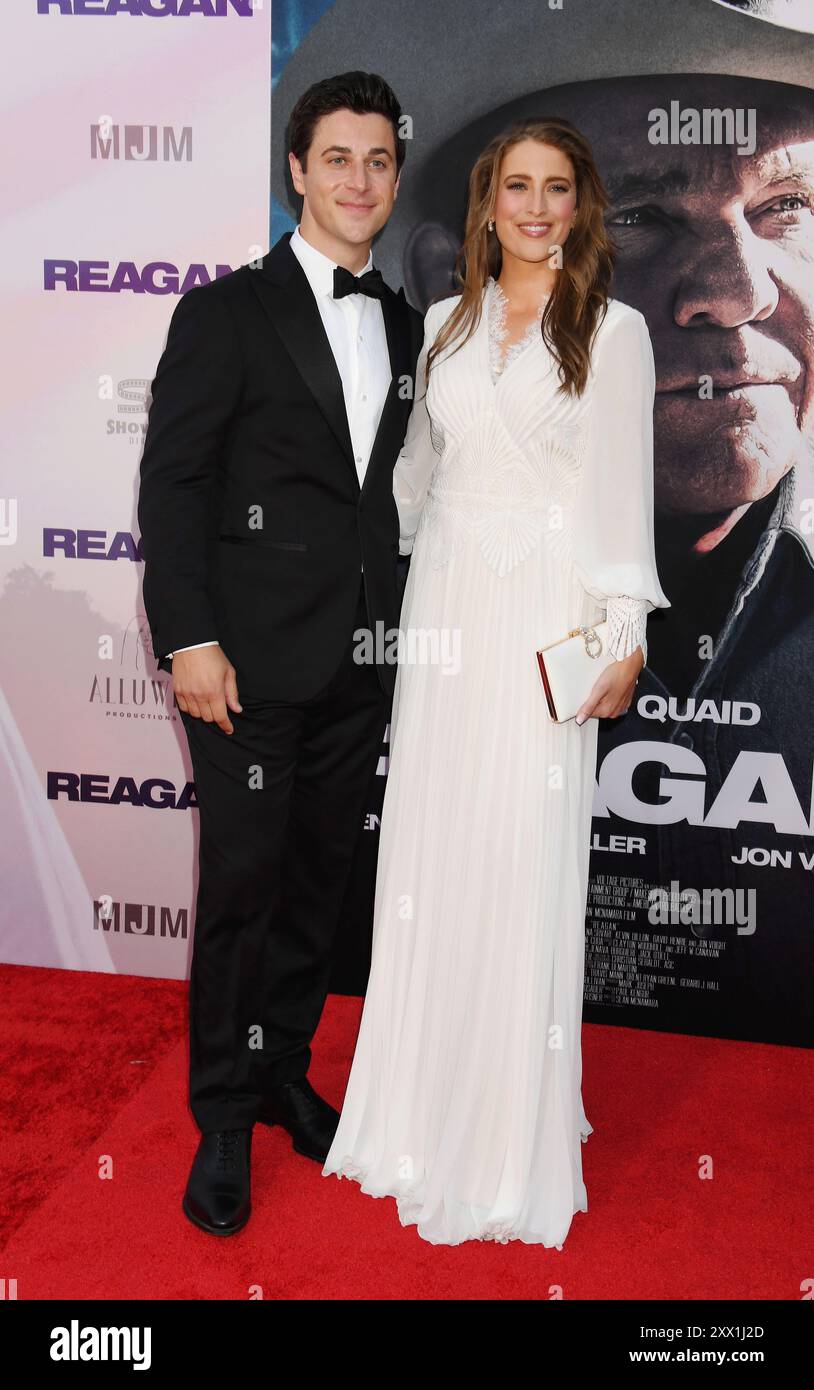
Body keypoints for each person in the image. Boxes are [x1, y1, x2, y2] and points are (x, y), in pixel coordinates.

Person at [322, 117, 671, 1247]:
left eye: (554, 188)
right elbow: (417, 484)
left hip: (544, 619)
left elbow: (621, 491)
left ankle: (504, 1135)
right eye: (513, 187)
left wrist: (621, 628)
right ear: (482, 205)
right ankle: (418, 1113)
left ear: (580, 204)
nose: (531, 207)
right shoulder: (442, 324)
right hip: (449, 616)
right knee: (433, 851)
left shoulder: (612, 333)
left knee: (520, 864)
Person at [137, 71, 423, 1236]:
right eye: (337, 159)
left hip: (362, 660)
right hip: (244, 669)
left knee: (316, 888)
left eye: (378, 162)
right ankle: (218, 1119)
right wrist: (190, 638)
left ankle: (283, 1072)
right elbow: (176, 483)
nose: (359, 181)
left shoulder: (405, 322)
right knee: (243, 896)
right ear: (295, 172)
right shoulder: (225, 311)